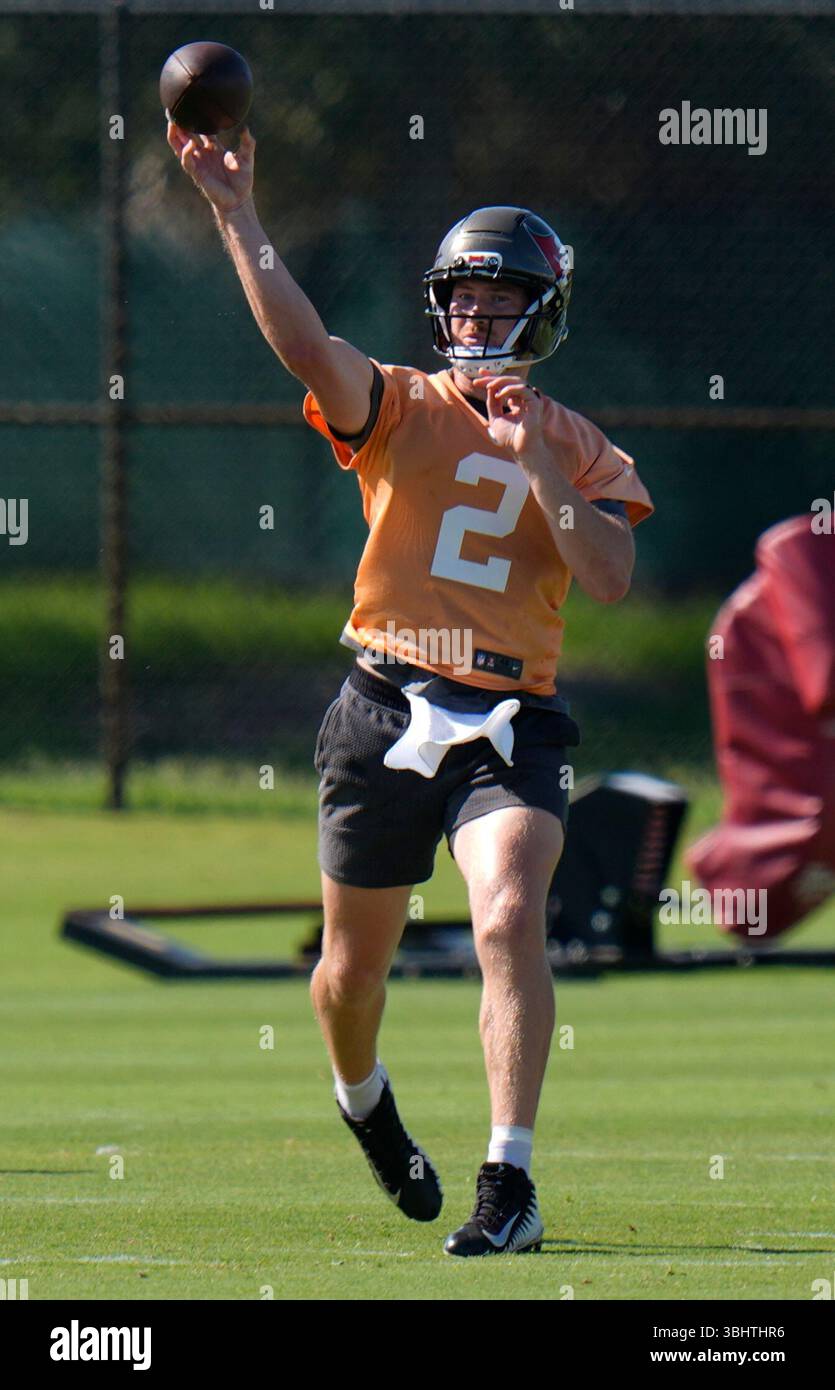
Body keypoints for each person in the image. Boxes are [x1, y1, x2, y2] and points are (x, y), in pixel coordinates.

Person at [167, 120, 654, 1256]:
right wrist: (235, 213)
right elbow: (303, 347)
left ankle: (510, 1181)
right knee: (347, 976)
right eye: (465, 299)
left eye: (501, 299)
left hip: (509, 721)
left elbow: (611, 576)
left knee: (505, 912)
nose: (479, 318)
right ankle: (362, 1099)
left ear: (543, 310)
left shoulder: (578, 444)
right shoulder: (397, 401)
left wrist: (539, 462)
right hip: (382, 705)